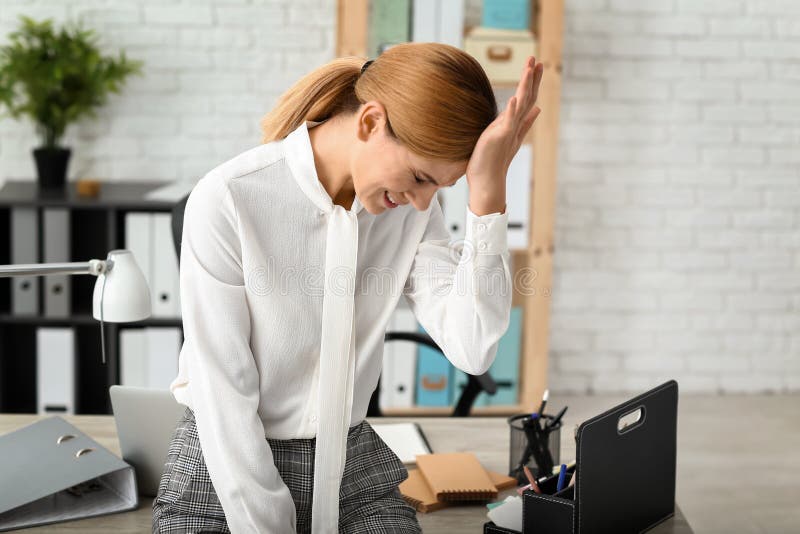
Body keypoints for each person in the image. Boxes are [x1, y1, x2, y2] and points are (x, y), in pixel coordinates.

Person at [152, 42, 543, 534]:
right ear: (370, 122)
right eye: (421, 177)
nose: (423, 204)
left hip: (350, 461)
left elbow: (474, 348)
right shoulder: (229, 198)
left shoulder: (411, 212)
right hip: (223, 464)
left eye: (437, 189)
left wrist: (487, 199)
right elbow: (223, 395)